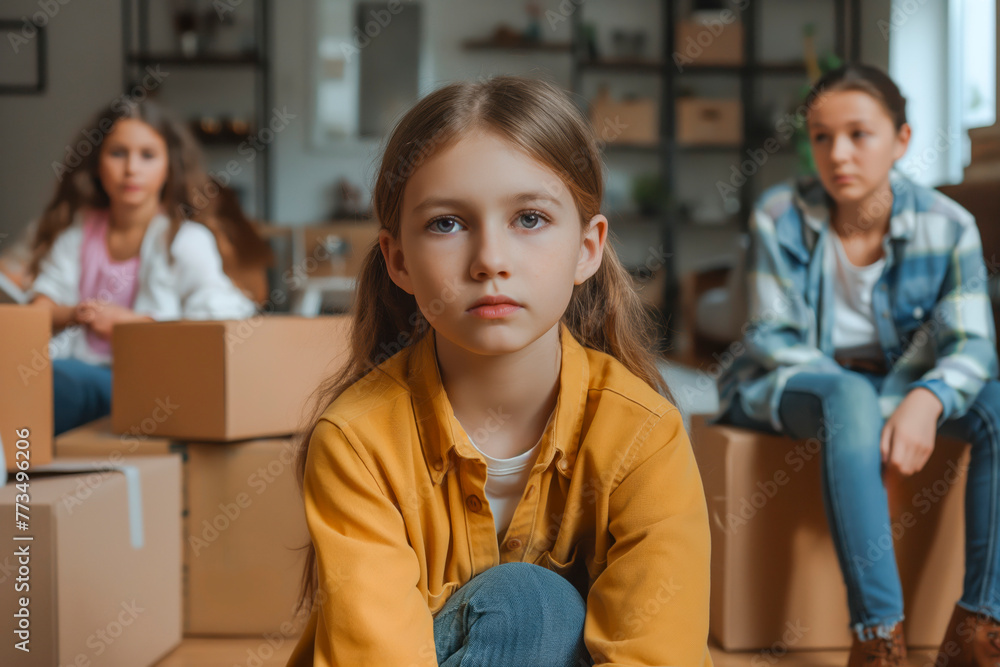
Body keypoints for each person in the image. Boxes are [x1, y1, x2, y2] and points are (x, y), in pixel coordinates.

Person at [286, 75, 713, 666]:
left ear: (588, 248)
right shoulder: (356, 441)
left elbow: (658, 652)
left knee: (538, 605)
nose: (490, 260)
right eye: (447, 223)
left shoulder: (647, 434)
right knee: (532, 602)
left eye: (530, 219)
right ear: (399, 261)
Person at [715, 63, 1000, 667]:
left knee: (997, 407)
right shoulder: (780, 214)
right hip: (789, 387)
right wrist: (871, 406)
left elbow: (973, 346)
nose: (837, 153)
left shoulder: (949, 228)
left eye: (859, 134)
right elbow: (772, 336)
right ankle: (879, 640)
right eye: (821, 136)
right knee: (848, 396)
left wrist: (926, 399)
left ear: (902, 139)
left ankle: (979, 630)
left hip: (892, 389)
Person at [25, 99, 258, 435]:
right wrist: (76, 313)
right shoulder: (76, 234)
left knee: (52, 385)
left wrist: (133, 324)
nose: (131, 168)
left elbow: (217, 326)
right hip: (70, 368)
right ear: (96, 163)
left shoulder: (187, 240)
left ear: (170, 166)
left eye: (148, 155)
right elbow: (39, 309)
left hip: (143, 385)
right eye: (118, 153)